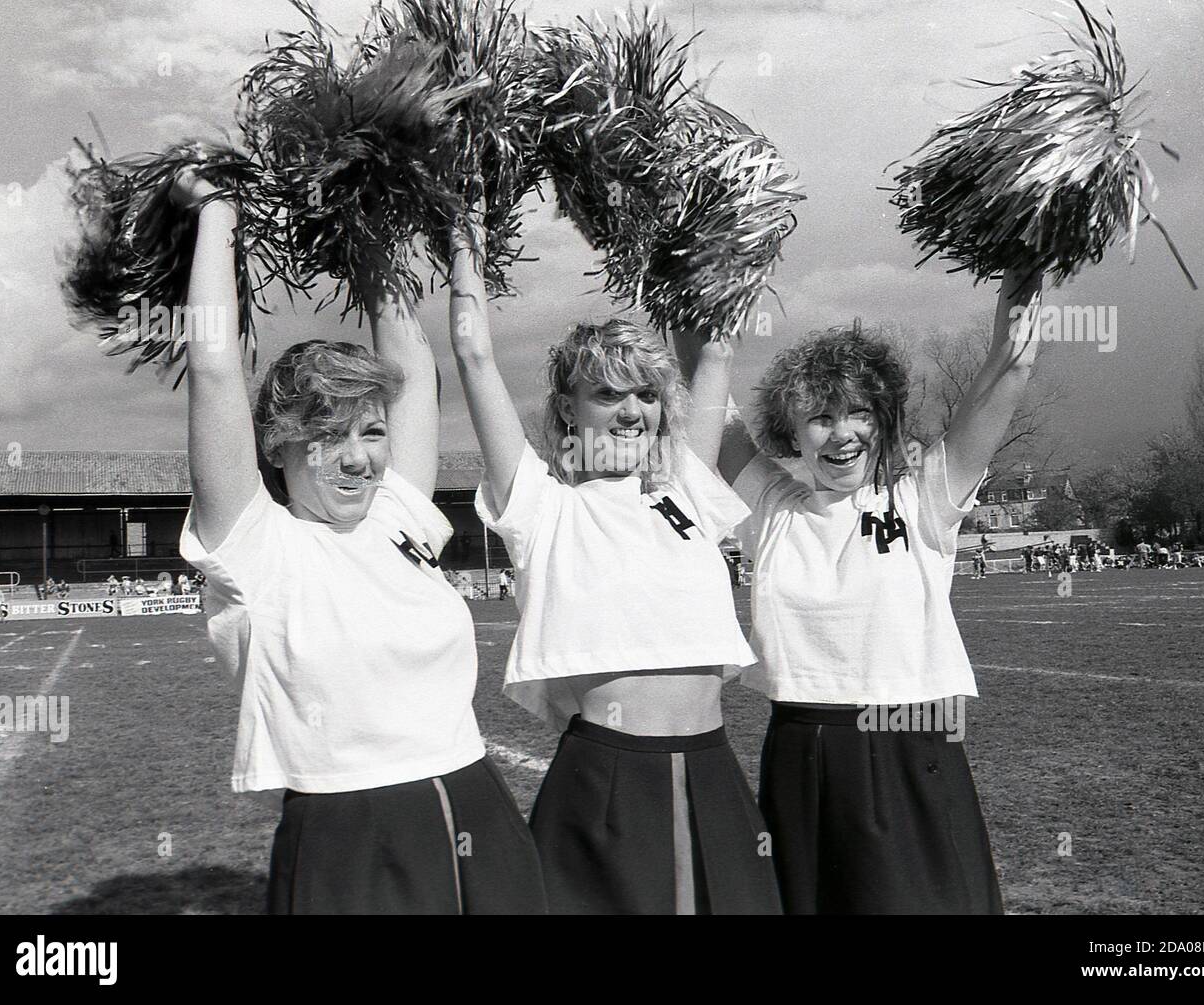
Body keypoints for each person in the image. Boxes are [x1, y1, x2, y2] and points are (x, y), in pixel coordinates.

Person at [169, 169, 545, 915]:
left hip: (477, 805)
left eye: (372, 432)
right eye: (325, 433)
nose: (357, 457)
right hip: (347, 833)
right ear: (276, 445)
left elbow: (406, 351)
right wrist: (216, 213)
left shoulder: (398, 516)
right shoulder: (256, 547)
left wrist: (373, 198)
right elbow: (213, 370)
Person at [450, 201, 779, 915]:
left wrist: (697, 221)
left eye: (645, 394)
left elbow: (716, 347)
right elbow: (474, 354)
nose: (632, 410)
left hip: (714, 771)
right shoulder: (542, 504)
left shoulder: (687, 481)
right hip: (604, 783)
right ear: (569, 408)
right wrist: (465, 237)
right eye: (606, 392)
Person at [701, 264, 1046, 914]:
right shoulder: (771, 504)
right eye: (821, 416)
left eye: (860, 411)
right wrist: (687, 273)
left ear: (884, 419)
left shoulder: (924, 498)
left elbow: (1011, 368)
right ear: (791, 429)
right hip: (801, 757)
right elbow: (708, 396)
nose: (843, 431)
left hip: (907, 751)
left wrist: (1024, 258)